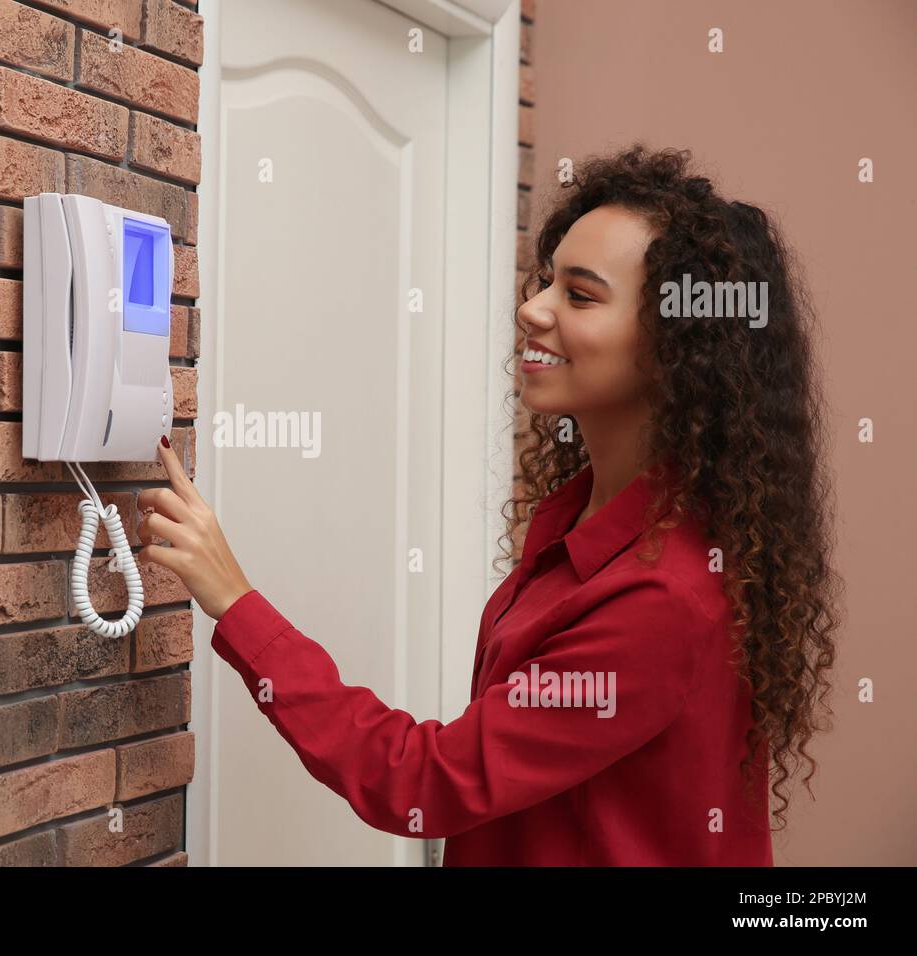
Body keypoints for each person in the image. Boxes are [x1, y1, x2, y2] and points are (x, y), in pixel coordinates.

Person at [136, 145, 841, 866]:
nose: (532, 308)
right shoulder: (579, 525)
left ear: (676, 346)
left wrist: (239, 603)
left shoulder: (665, 593)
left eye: (581, 294)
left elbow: (424, 780)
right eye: (546, 281)